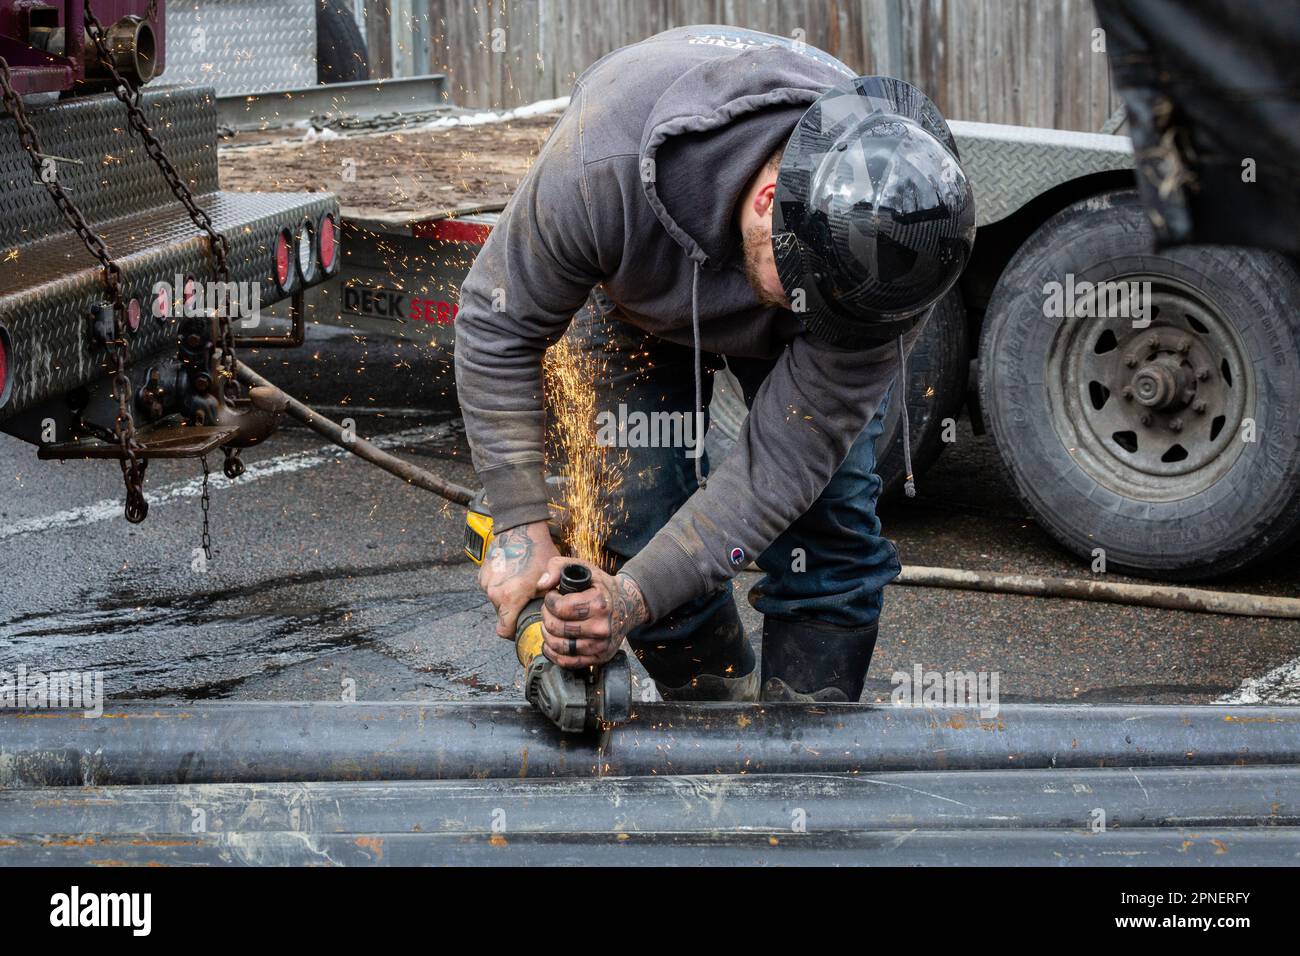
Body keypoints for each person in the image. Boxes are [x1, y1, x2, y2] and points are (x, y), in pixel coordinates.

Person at [455, 26, 975, 703]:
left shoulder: (902, 258)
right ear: (768, 205)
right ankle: (715, 718)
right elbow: (498, 327)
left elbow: (779, 471)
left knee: (833, 534)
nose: (809, 322)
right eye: (802, 300)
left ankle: (798, 760)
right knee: (637, 522)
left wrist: (633, 602)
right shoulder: (599, 166)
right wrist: (522, 525)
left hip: (797, 273)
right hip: (636, 297)